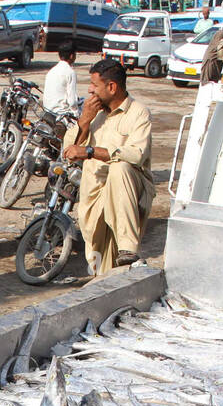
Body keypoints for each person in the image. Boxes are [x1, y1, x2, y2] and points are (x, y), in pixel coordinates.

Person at [61, 58, 154, 273]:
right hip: (94, 194)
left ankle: (127, 248)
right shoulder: (94, 115)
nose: (90, 91)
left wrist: (93, 152)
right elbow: (69, 152)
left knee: (120, 168)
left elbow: (136, 154)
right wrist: (84, 122)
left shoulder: (139, 113)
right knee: (98, 266)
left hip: (128, 191)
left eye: (95, 86)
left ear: (111, 87)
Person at [43, 40, 79, 116]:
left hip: (48, 110)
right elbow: (72, 102)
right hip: (61, 113)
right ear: (72, 56)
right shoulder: (70, 72)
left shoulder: (52, 71)